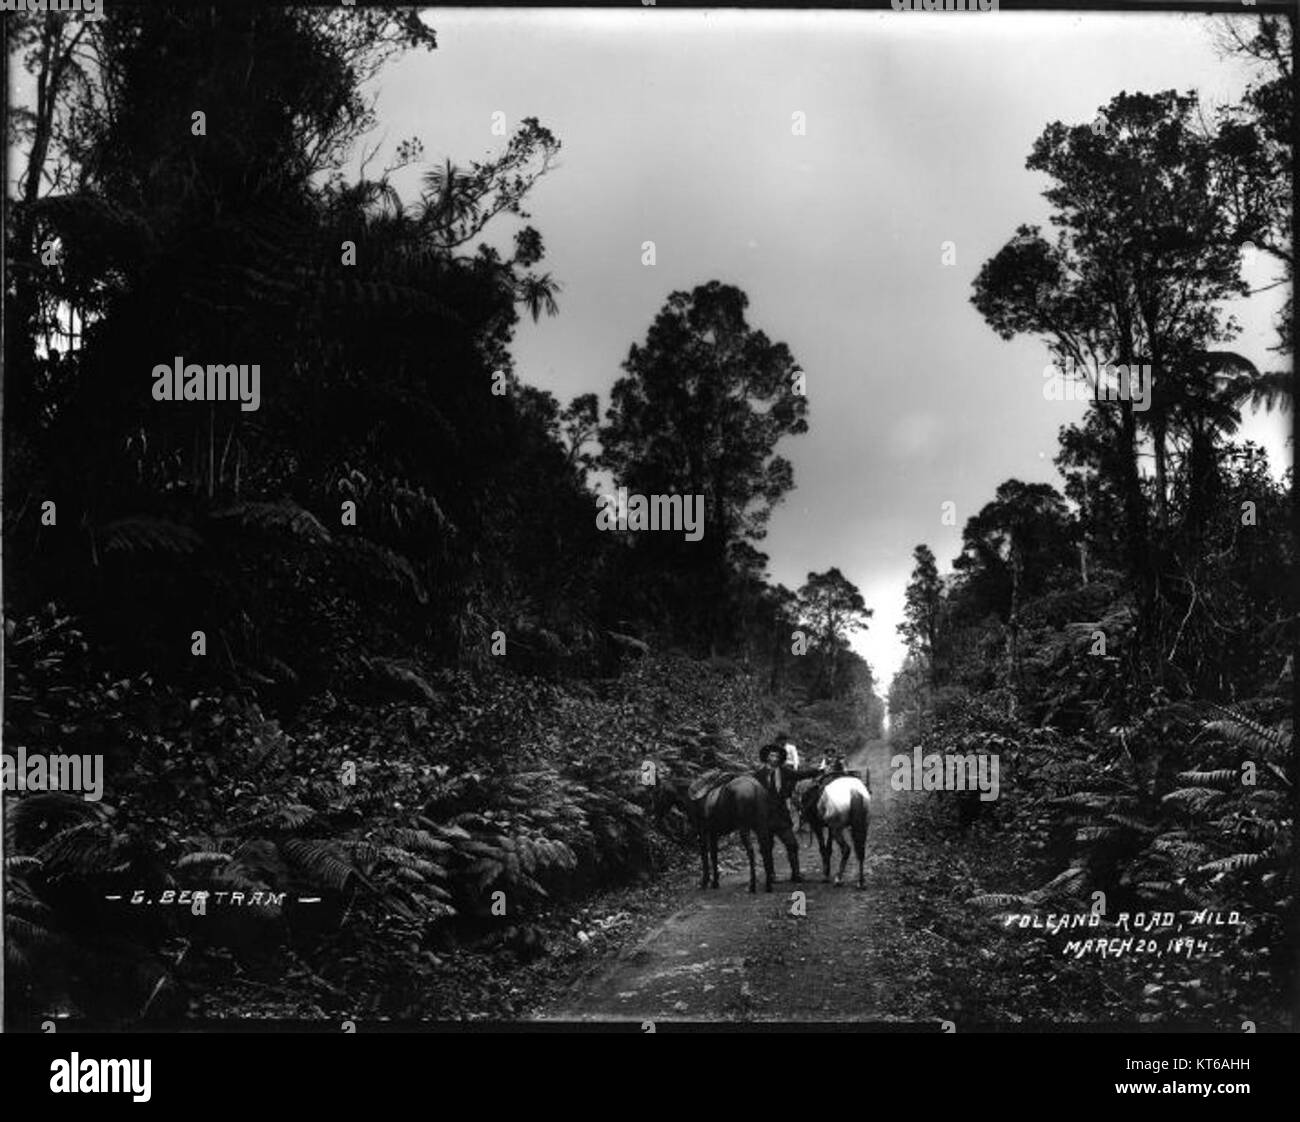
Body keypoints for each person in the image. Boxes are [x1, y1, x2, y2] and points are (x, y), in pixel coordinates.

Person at [755, 741, 822, 881]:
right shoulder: (758, 775)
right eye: (772, 755)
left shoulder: (784, 771)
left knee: (792, 844)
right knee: (766, 847)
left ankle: (795, 874)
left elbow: (799, 775)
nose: (774, 758)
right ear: (767, 757)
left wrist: (817, 771)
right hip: (764, 817)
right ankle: (770, 875)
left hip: (781, 816)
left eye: (777, 756)